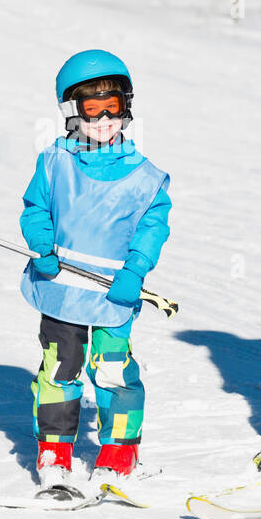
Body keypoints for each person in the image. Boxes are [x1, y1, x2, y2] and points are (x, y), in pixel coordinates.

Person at [18, 50, 172, 483]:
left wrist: (135, 272)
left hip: (111, 293)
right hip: (62, 288)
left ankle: (120, 450)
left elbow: (151, 230)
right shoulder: (54, 162)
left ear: (127, 108)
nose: (104, 119)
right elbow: (35, 209)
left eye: (114, 106)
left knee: (111, 368)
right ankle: (54, 450)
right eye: (92, 108)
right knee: (60, 367)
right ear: (72, 112)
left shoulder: (145, 176)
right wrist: (42, 245)